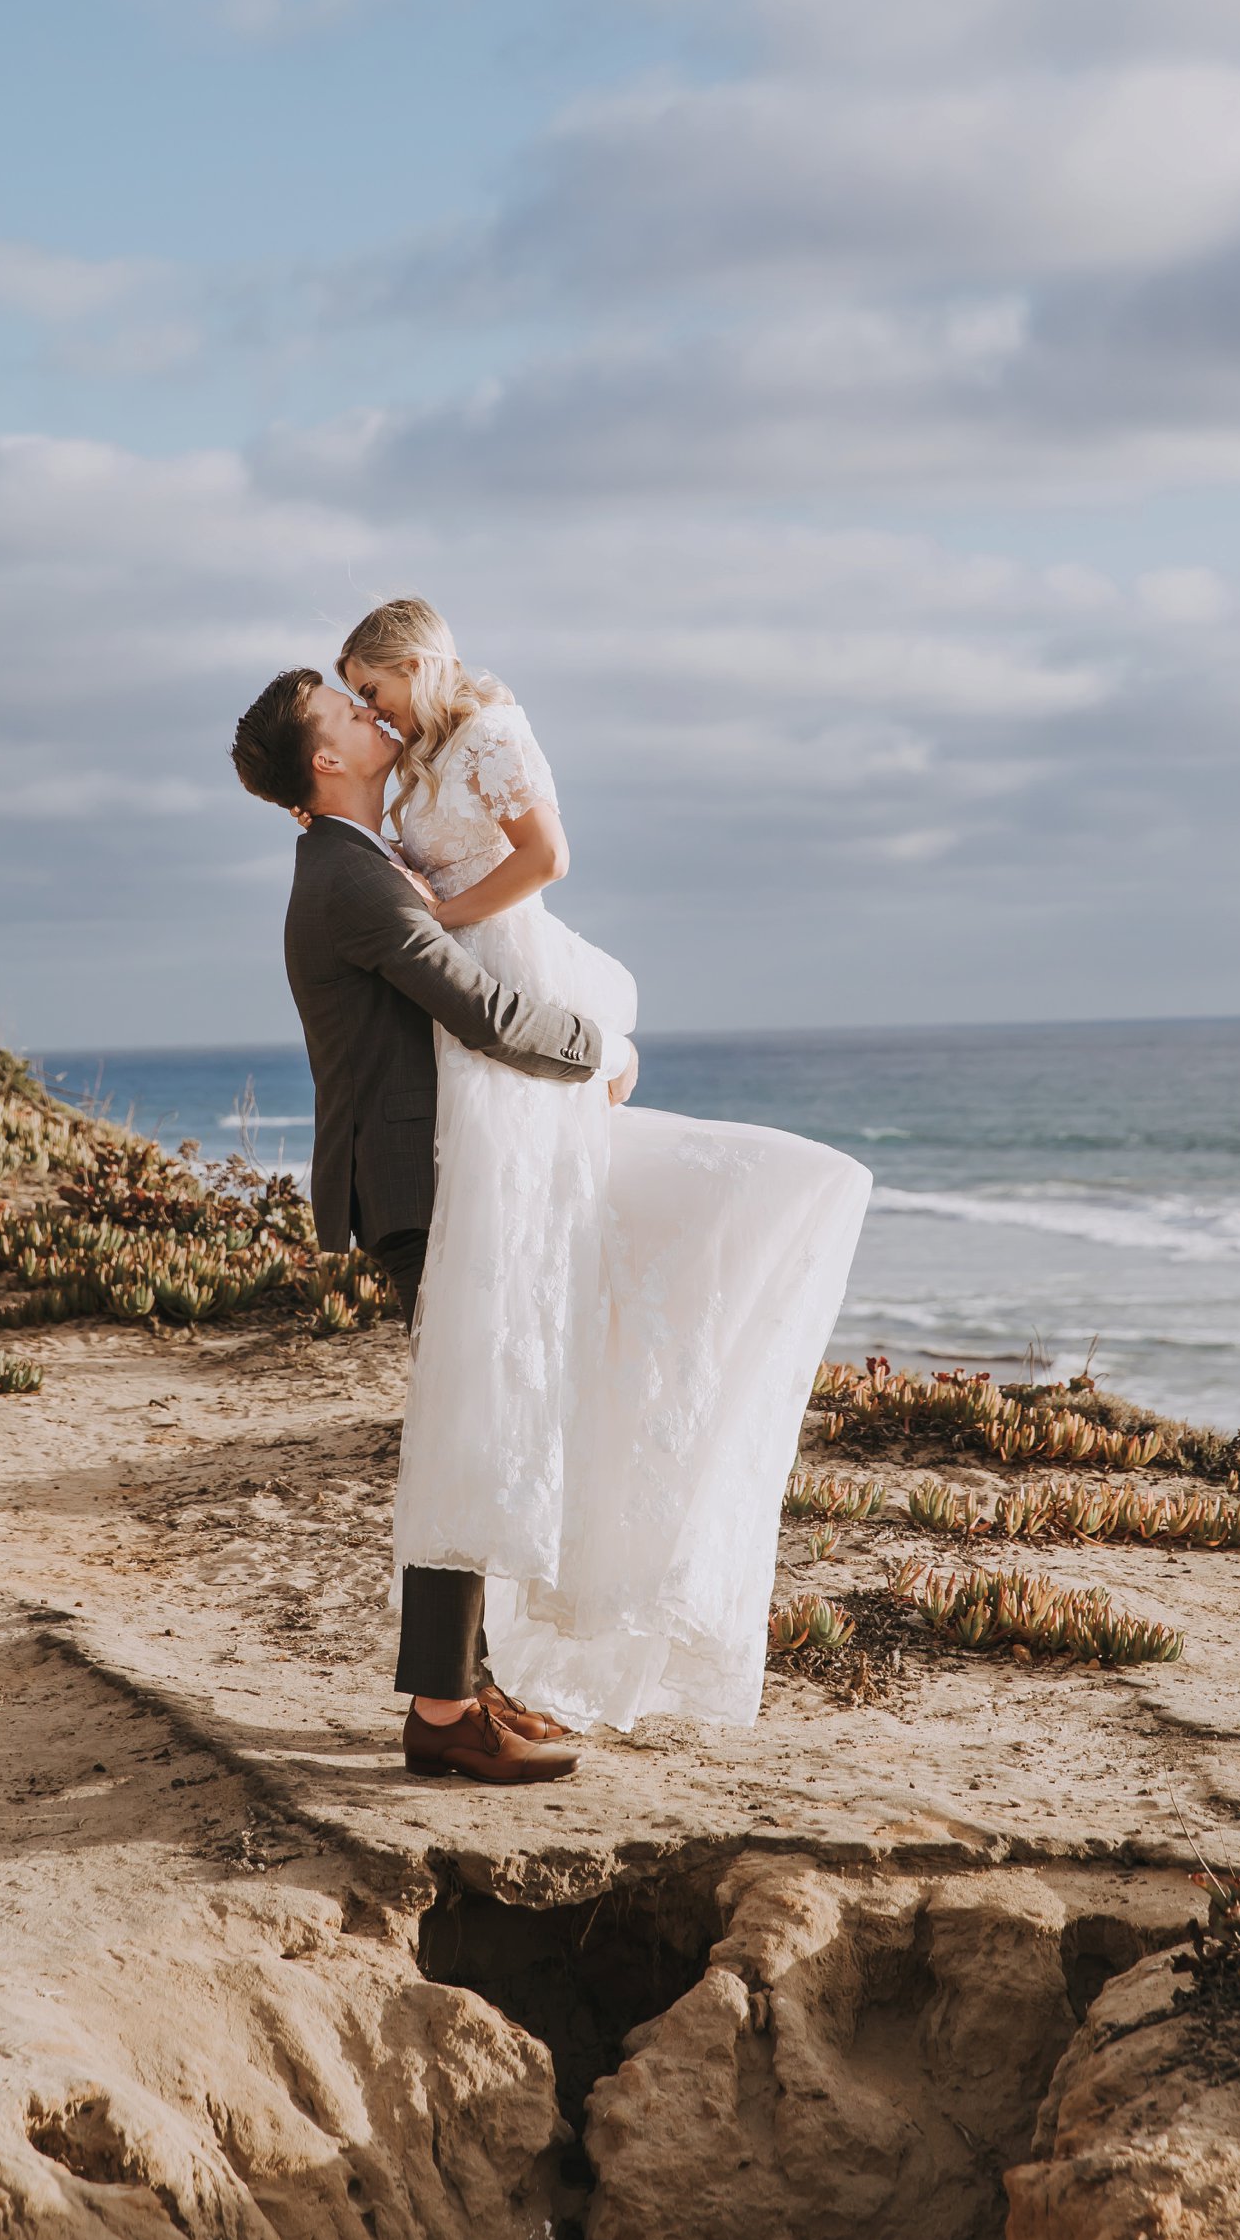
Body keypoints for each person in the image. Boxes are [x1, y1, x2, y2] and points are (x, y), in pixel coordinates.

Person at [335, 600, 872, 1734]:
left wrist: (439, 915)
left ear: (417, 667)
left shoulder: (487, 728)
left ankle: (469, 1679)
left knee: (534, 1243)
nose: (368, 711)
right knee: (502, 1277)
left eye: (372, 689)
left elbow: (547, 857)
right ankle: (468, 1678)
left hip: (502, 968)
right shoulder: (419, 756)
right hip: (466, 996)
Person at [229, 663, 634, 1787]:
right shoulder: (351, 880)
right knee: (469, 1433)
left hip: (419, 1178)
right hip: (415, 1187)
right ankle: (443, 1712)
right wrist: (604, 1051)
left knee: (480, 1424)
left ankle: (465, 1682)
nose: (372, 718)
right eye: (347, 712)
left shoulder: (358, 862)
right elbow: (483, 1011)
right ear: (324, 760)